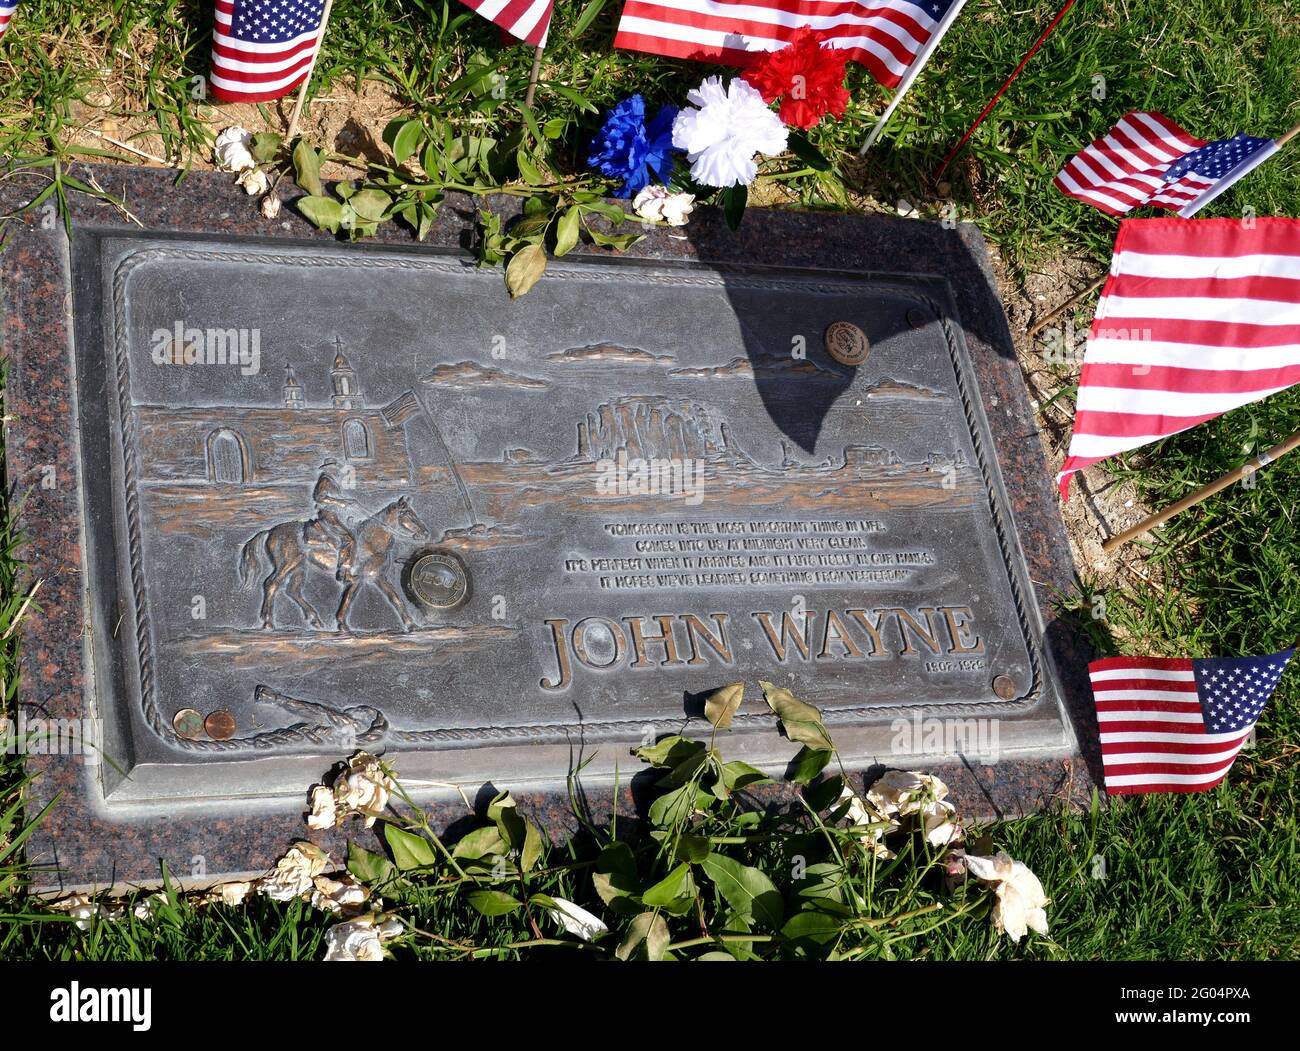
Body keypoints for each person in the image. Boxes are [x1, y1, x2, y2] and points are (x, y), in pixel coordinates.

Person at [309, 465, 360, 579]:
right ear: (328, 469)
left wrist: (346, 502)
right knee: (349, 540)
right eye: (334, 469)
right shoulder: (326, 480)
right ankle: (344, 572)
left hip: (334, 514)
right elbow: (319, 498)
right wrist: (340, 502)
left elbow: (334, 499)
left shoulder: (331, 481)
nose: (337, 471)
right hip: (328, 516)